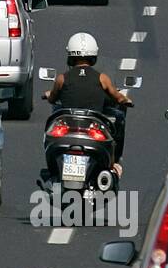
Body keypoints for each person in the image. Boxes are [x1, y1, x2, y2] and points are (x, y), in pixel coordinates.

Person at [42, 32, 134, 175]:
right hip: (93, 128)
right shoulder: (102, 78)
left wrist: (48, 94)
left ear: (71, 56)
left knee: (53, 118)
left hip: (67, 128)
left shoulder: (61, 79)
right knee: (119, 118)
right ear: (93, 56)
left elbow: (52, 98)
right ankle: (114, 162)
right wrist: (126, 100)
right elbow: (118, 98)